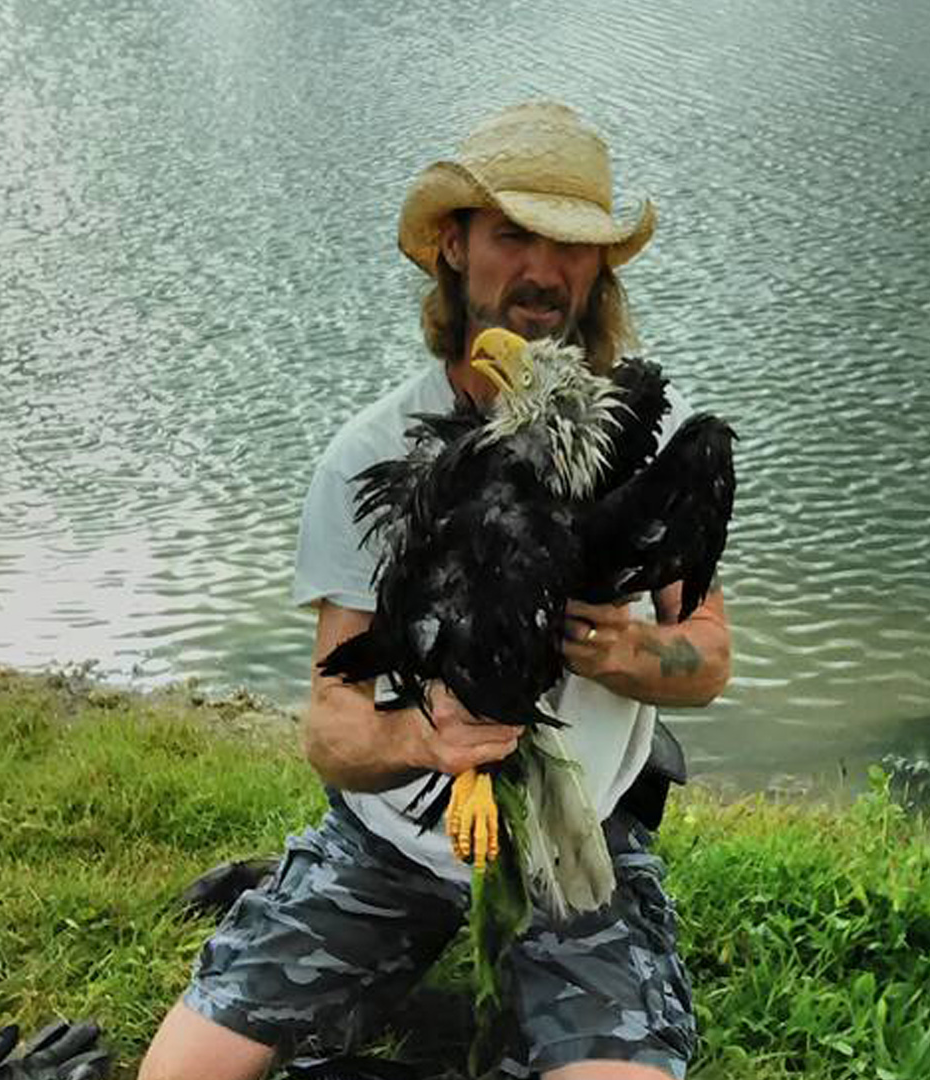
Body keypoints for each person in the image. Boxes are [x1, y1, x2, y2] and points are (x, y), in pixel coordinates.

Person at [138, 100, 732, 1080]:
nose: (543, 270)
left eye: (570, 244)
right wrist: (430, 739)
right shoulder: (373, 458)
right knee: (180, 1076)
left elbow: (708, 658)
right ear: (454, 246)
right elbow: (332, 730)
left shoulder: (639, 443)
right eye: (513, 236)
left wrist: (636, 654)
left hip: (572, 839)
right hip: (391, 840)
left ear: (600, 267)